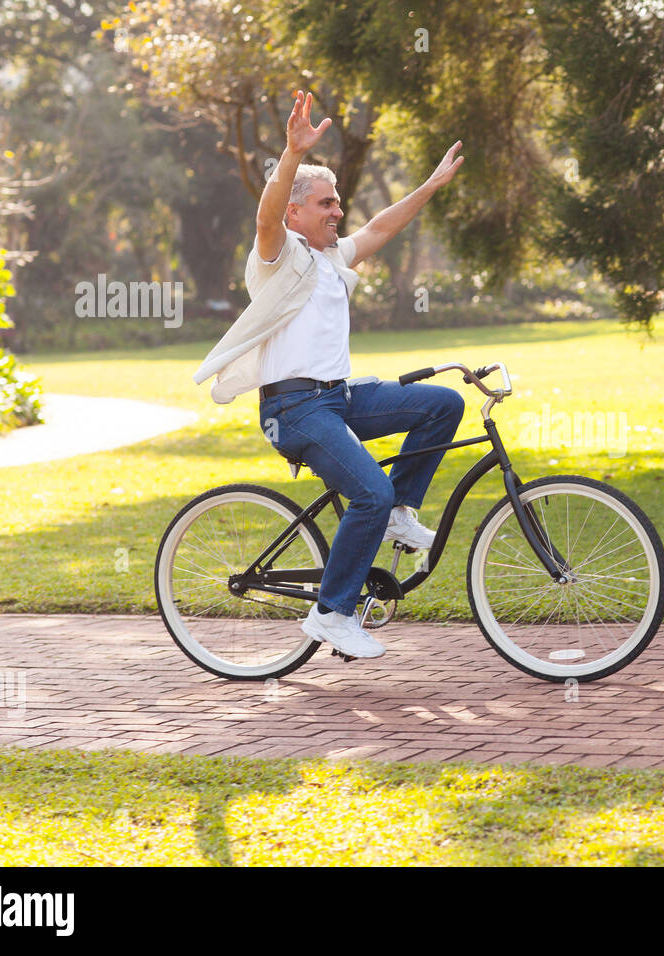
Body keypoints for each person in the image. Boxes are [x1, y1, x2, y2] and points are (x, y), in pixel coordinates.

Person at [193, 89, 466, 660]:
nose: (337, 211)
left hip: (338, 399)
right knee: (369, 489)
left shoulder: (331, 258)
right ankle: (332, 612)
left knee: (442, 406)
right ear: (297, 213)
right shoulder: (277, 254)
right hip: (295, 410)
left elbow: (382, 228)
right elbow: (266, 213)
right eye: (325, 204)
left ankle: (397, 514)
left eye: (337, 202)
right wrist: (292, 152)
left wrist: (431, 185)